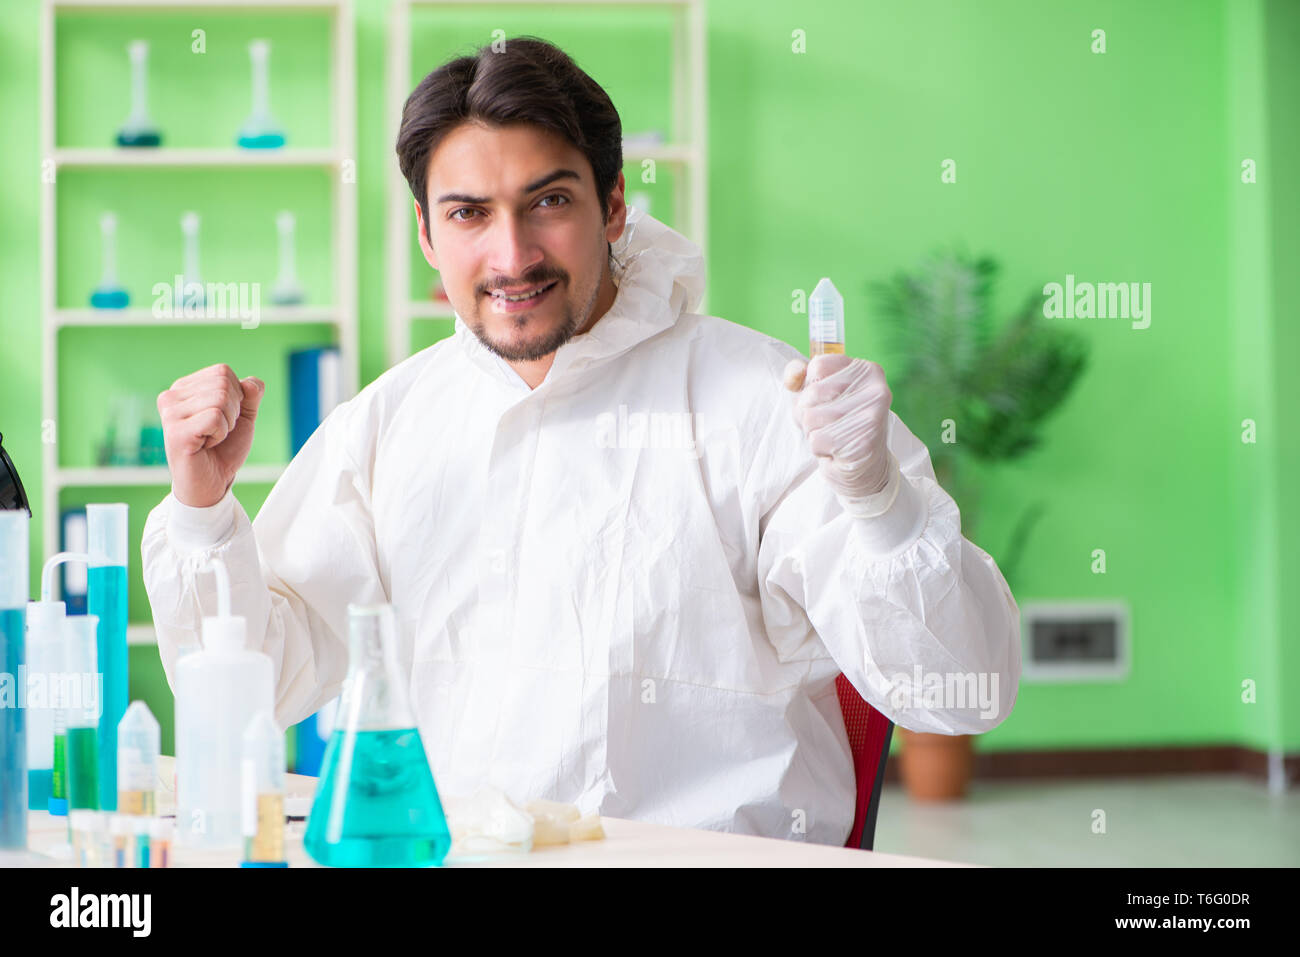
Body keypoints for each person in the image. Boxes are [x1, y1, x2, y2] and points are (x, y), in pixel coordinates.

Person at [142, 36, 1020, 846]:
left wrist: (878, 502)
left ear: (614, 205)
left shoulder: (766, 405)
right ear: (426, 234)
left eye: (549, 201)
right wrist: (202, 513)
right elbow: (268, 682)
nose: (512, 254)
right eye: (469, 214)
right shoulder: (388, 424)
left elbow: (959, 692)